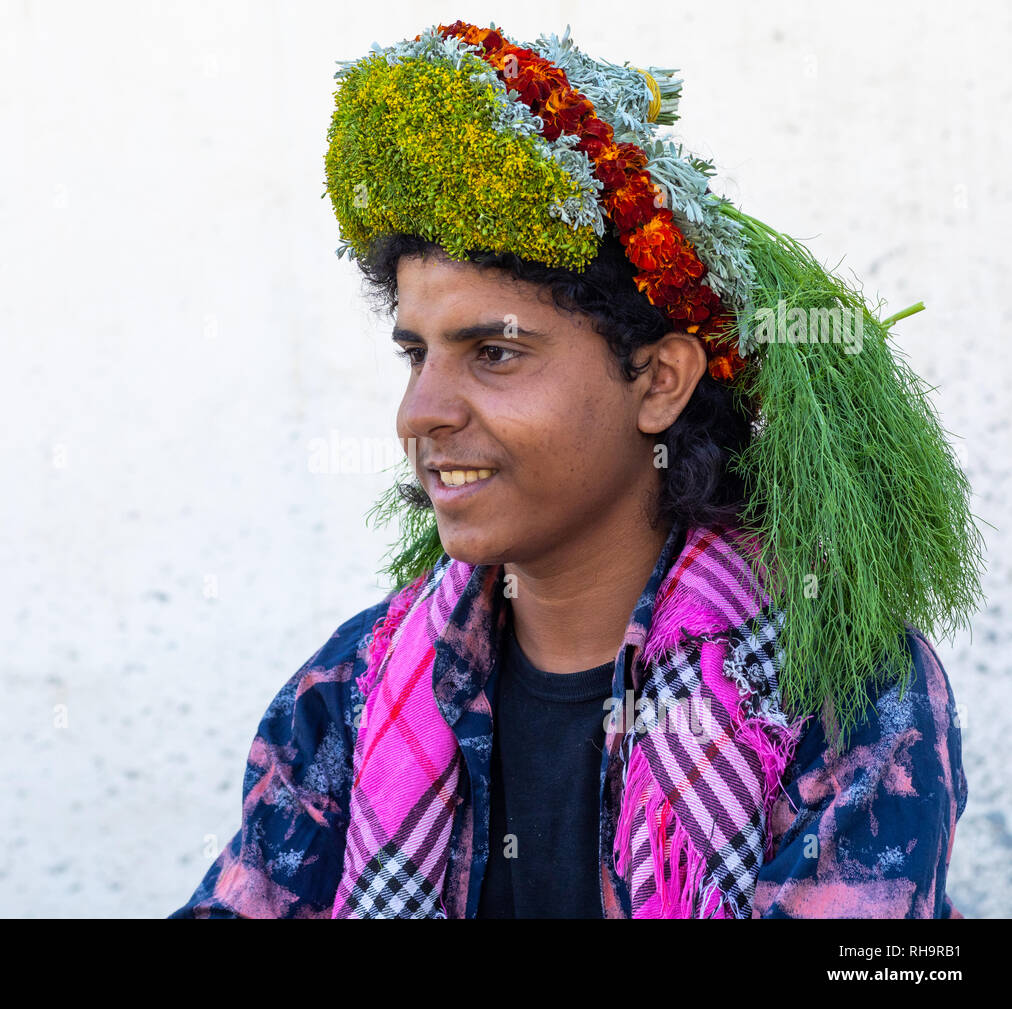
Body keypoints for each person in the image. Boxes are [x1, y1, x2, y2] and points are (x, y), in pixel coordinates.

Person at [168, 20, 982, 918]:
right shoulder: (349, 695)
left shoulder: (835, 696)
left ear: (659, 381)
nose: (421, 413)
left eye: (495, 354)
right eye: (415, 356)